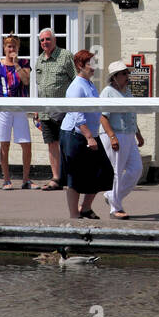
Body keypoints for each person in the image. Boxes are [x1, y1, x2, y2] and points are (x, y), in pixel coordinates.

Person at [59, 50, 113, 219]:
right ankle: (74, 215)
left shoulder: (89, 83)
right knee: (74, 176)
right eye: (91, 64)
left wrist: (93, 134)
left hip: (90, 134)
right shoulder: (76, 86)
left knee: (103, 171)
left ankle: (86, 208)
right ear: (80, 66)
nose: (94, 67)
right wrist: (89, 136)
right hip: (75, 135)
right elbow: (77, 115)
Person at [0, 35, 33, 189]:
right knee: (4, 144)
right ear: (4, 48)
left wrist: (16, 64)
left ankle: (26, 179)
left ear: (18, 48)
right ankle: (6, 179)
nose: (11, 49)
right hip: (2, 107)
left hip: (19, 107)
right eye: (8, 46)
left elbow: (26, 81)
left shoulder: (24, 64)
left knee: (26, 143)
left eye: (14, 46)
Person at [99, 60, 144, 219]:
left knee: (136, 169)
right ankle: (115, 208)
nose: (127, 75)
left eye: (127, 72)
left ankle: (112, 195)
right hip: (115, 134)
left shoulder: (127, 91)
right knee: (117, 171)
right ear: (115, 77)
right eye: (124, 73)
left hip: (129, 134)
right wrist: (112, 136)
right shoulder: (108, 92)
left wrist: (137, 133)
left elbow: (131, 114)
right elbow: (103, 117)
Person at [33, 28, 73, 190]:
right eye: (42, 40)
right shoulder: (40, 60)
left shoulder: (65, 56)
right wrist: (36, 107)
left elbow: (76, 79)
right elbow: (39, 86)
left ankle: (70, 178)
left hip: (63, 109)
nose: (45, 42)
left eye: (48, 39)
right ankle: (56, 178)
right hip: (44, 109)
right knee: (51, 144)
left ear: (55, 40)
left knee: (66, 144)